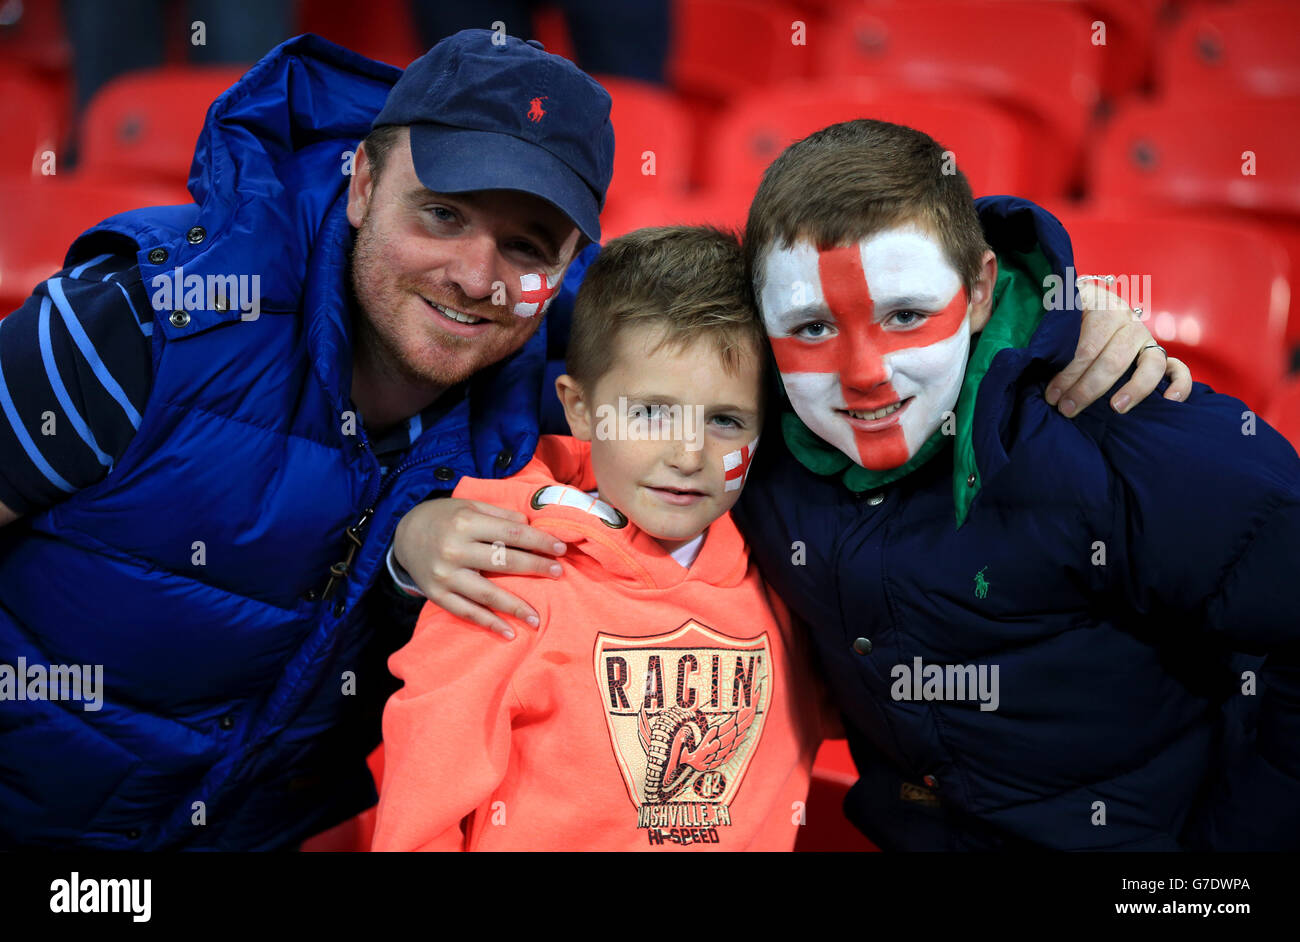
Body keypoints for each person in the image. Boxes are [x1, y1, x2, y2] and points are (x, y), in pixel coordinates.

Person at [388, 119, 1300, 851]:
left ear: (982, 290)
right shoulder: (750, 443)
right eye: (814, 326)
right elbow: (612, 385)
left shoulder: (1129, 428)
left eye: (906, 316)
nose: (864, 375)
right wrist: (413, 530)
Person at [0, 29, 611, 850]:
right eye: (441, 213)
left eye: (527, 245)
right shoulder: (140, 323)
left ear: (571, 262)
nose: (475, 275)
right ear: (361, 185)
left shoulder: (556, 425)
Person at [373, 226, 836, 851]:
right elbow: (420, 815)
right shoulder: (508, 567)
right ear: (581, 407)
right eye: (650, 413)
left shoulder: (792, 579)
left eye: (726, 420)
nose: (689, 455)